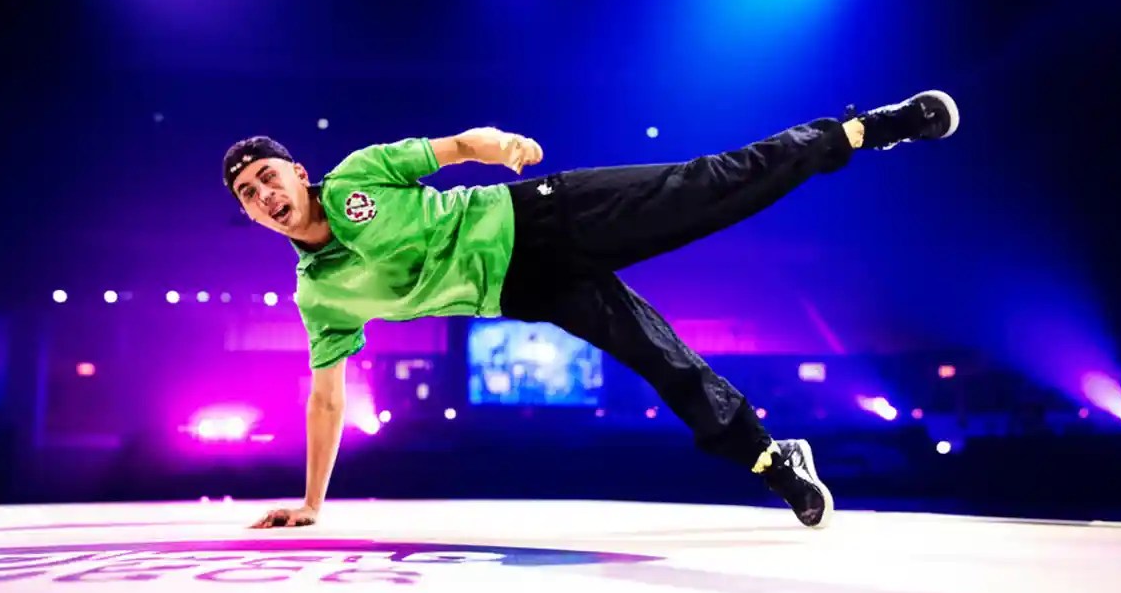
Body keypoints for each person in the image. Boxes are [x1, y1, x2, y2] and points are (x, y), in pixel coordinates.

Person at [222, 90, 960, 530]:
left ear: (297, 170)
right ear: (252, 218)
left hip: (544, 214)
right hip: (525, 290)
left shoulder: (361, 175)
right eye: (249, 197)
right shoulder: (318, 294)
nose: (265, 196)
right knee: (659, 359)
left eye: (267, 177)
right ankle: (774, 461)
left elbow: (454, 148)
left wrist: (502, 145)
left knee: (708, 185)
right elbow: (326, 398)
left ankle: (864, 129)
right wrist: (312, 503)